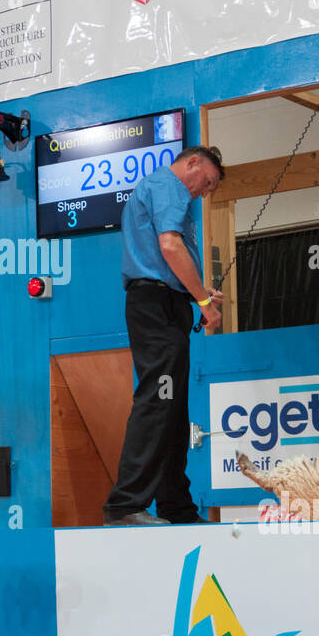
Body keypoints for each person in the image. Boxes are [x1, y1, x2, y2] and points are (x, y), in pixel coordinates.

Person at [103, 146, 225, 527]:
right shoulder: (168, 184)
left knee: (172, 405)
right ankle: (124, 505)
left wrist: (197, 293)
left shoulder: (167, 191)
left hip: (168, 305)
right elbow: (169, 247)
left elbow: (170, 259)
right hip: (155, 306)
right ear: (192, 162)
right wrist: (204, 301)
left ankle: (176, 507)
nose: (204, 192)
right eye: (207, 182)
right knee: (159, 397)